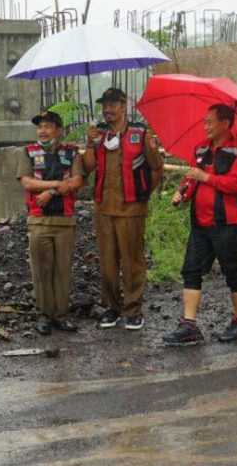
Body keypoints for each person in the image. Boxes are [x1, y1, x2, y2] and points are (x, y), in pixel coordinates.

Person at [162, 104, 237, 346]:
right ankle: (189, 325)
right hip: (200, 222)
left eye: (210, 122)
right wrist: (182, 192)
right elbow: (191, 177)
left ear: (225, 123)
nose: (206, 126)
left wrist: (207, 178)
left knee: (232, 270)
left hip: (228, 222)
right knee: (191, 269)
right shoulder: (201, 149)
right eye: (205, 122)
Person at [82, 88, 163, 330]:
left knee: (132, 261)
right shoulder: (100, 136)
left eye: (112, 104)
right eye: (104, 105)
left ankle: (133, 309)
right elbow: (87, 168)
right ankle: (112, 307)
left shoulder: (140, 133)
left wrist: (144, 195)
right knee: (107, 262)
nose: (107, 110)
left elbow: (156, 167)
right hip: (104, 209)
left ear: (123, 105)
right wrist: (89, 143)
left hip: (131, 209)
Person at [16, 110, 85, 335]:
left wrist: (52, 192)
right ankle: (44, 315)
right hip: (38, 220)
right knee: (41, 269)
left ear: (59, 130)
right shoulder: (28, 152)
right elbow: (27, 183)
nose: (43, 131)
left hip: (64, 220)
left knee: (62, 269)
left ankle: (61, 315)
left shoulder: (72, 153)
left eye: (48, 126)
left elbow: (76, 181)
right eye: (40, 127)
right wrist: (56, 185)